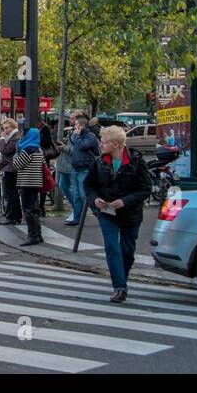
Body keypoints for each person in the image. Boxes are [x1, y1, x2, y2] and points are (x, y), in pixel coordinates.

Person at [86, 125, 151, 303]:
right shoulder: (99, 162)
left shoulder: (136, 161)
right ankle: (119, 287)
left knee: (127, 251)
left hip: (131, 213)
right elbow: (89, 185)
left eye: (104, 142)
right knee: (112, 247)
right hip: (107, 212)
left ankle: (121, 279)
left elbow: (145, 189)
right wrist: (95, 199)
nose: (100, 144)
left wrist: (125, 201)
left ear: (115, 144)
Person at [12, 127, 45, 246]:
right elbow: (43, 165)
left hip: (27, 182)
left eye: (23, 134)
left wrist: (16, 154)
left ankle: (33, 236)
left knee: (28, 209)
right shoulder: (38, 149)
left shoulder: (27, 150)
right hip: (36, 183)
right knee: (34, 209)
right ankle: (38, 234)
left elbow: (17, 165)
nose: (21, 136)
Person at [68, 111, 100, 224]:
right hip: (76, 168)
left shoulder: (90, 136)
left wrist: (76, 136)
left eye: (76, 125)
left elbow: (83, 146)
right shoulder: (77, 136)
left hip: (85, 168)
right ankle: (77, 218)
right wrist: (75, 136)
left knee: (84, 195)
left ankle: (100, 215)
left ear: (82, 126)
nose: (74, 127)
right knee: (76, 195)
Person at [0, 117, 22, 224]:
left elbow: (5, 150)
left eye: (7, 128)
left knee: (10, 192)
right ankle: (16, 215)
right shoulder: (13, 136)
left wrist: (2, 139)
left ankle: (12, 216)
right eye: (3, 128)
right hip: (10, 167)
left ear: (13, 127)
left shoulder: (15, 137)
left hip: (11, 168)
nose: (5, 130)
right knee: (12, 192)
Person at [55, 118, 80, 225]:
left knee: (76, 191)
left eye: (72, 118)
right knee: (63, 185)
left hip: (71, 165)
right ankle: (76, 209)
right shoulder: (71, 131)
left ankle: (77, 211)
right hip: (64, 165)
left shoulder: (79, 133)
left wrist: (64, 147)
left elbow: (75, 150)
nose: (70, 119)